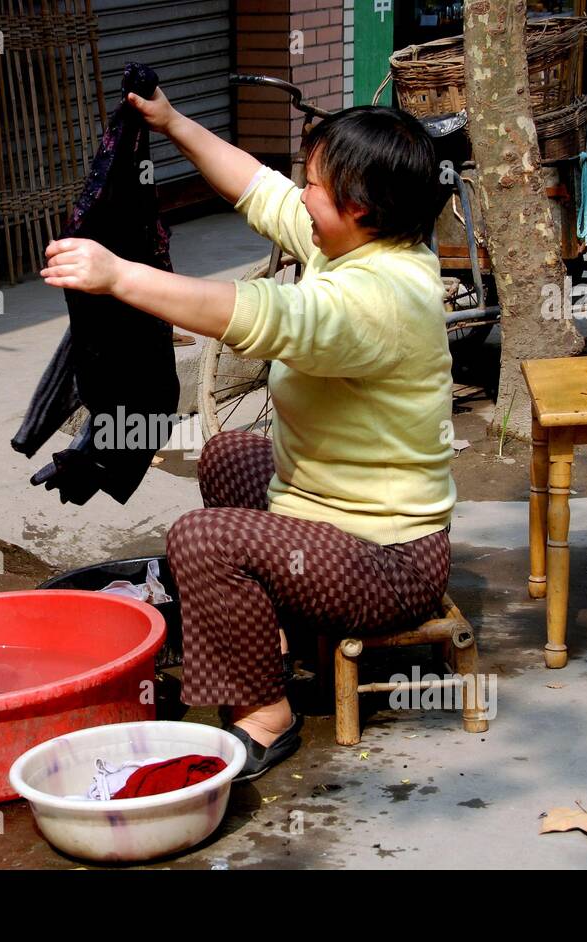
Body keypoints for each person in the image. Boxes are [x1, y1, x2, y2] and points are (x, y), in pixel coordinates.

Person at [41, 87, 455, 782]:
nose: (302, 195)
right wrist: (172, 123)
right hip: (325, 523)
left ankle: (267, 713)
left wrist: (120, 276)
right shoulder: (353, 243)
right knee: (232, 453)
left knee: (200, 538)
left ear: (361, 206)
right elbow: (263, 192)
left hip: (389, 563)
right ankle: (272, 632)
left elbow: (259, 313)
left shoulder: (382, 297)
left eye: (315, 185)